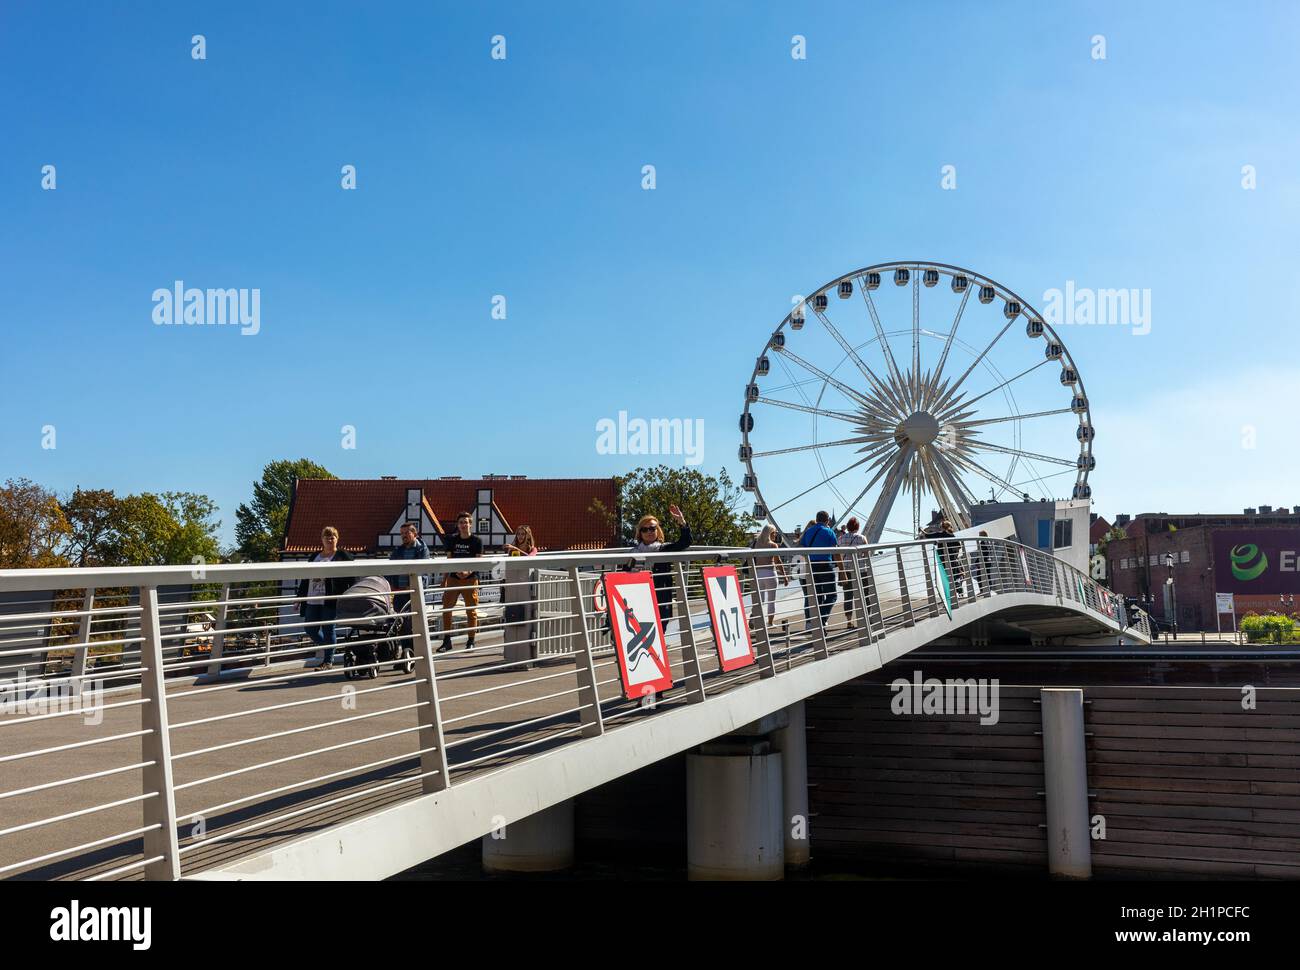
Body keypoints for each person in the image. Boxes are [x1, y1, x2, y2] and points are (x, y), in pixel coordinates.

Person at [296, 526, 354, 669]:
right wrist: (299, 597)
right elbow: (306, 578)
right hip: (312, 598)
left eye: (332, 537)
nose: (329, 539)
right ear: (322, 539)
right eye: (326, 537)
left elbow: (353, 575)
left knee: (328, 629)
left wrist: (350, 594)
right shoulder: (315, 556)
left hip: (330, 599)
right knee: (310, 629)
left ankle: (328, 661)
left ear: (337, 539)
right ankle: (330, 649)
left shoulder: (343, 555)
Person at [631, 505, 691, 620]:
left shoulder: (664, 549)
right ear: (640, 533)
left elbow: (685, 542)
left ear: (657, 531)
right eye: (644, 529)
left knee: (661, 631)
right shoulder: (633, 552)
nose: (649, 531)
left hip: (660, 603)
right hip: (638, 600)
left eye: (652, 528)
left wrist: (682, 522)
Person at [439, 512, 483, 652]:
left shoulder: (477, 541)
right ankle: (447, 640)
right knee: (446, 609)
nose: (464, 525)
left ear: (470, 524)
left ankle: (471, 640)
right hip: (453, 578)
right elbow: (449, 559)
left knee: (471, 611)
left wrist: (467, 572)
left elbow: (478, 561)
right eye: (461, 523)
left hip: (470, 579)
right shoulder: (452, 540)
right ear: (458, 525)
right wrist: (444, 579)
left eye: (466, 522)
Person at [387, 523, 431, 643]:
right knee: (400, 622)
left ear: (415, 534)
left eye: (406, 533)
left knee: (412, 623)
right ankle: (406, 653)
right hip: (399, 592)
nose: (403, 536)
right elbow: (389, 568)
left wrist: (412, 586)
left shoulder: (422, 550)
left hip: (414, 592)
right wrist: (389, 584)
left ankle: (412, 652)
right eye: (402, 533)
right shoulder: (398, 550)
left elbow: (423, 571)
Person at [799, 511, 839, 629]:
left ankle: (813, 620)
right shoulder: (829, 532)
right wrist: (841, 570)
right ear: (827, 520)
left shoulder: (808, 532)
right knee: (832, 595)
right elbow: (836, 551)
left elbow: (802, 547)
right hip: (825, 566)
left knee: (816, 595)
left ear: (816, 519)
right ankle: (821, 617)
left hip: (811, 566)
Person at [750, 524, 788, 627]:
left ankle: (754, 618)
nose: (776, 535)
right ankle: (770, 623)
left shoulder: (755, 544)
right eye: (775, 532)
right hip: (770, 572)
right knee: (771, 600)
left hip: (758, 573)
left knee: (759, 599)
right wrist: (784, 576)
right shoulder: (773, 545)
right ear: (771, 533)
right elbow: (778, 561)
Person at [837, 516, 868, 628]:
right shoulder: (862, 538)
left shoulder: (840, 539)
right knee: (864, 595)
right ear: (857, 527)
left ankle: (849, 621)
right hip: (860, 570)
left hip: (846, 571)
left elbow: (838, 555)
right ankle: (865, 618)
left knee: (848, 596)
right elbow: (866, 554)